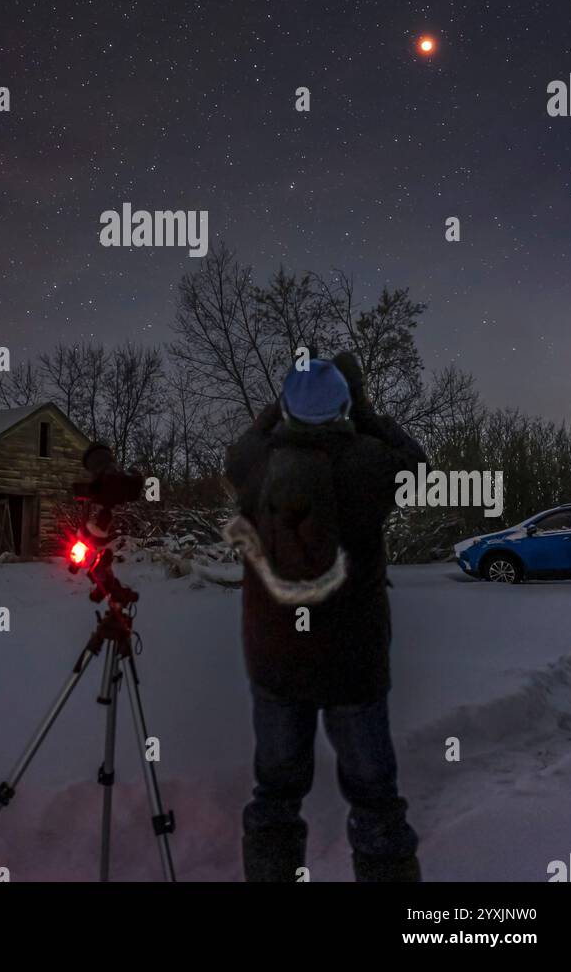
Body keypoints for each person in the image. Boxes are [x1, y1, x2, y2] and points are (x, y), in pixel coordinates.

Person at [224, 352, 425, 882]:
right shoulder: (369, 464)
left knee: (274, 794)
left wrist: (279, 408)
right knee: (376, 800)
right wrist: (366, 410)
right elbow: (419, 468)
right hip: (352, 664)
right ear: (343, 409)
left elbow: (243, 443)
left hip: (275, 661)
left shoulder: (253, 464)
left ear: (286, 409)